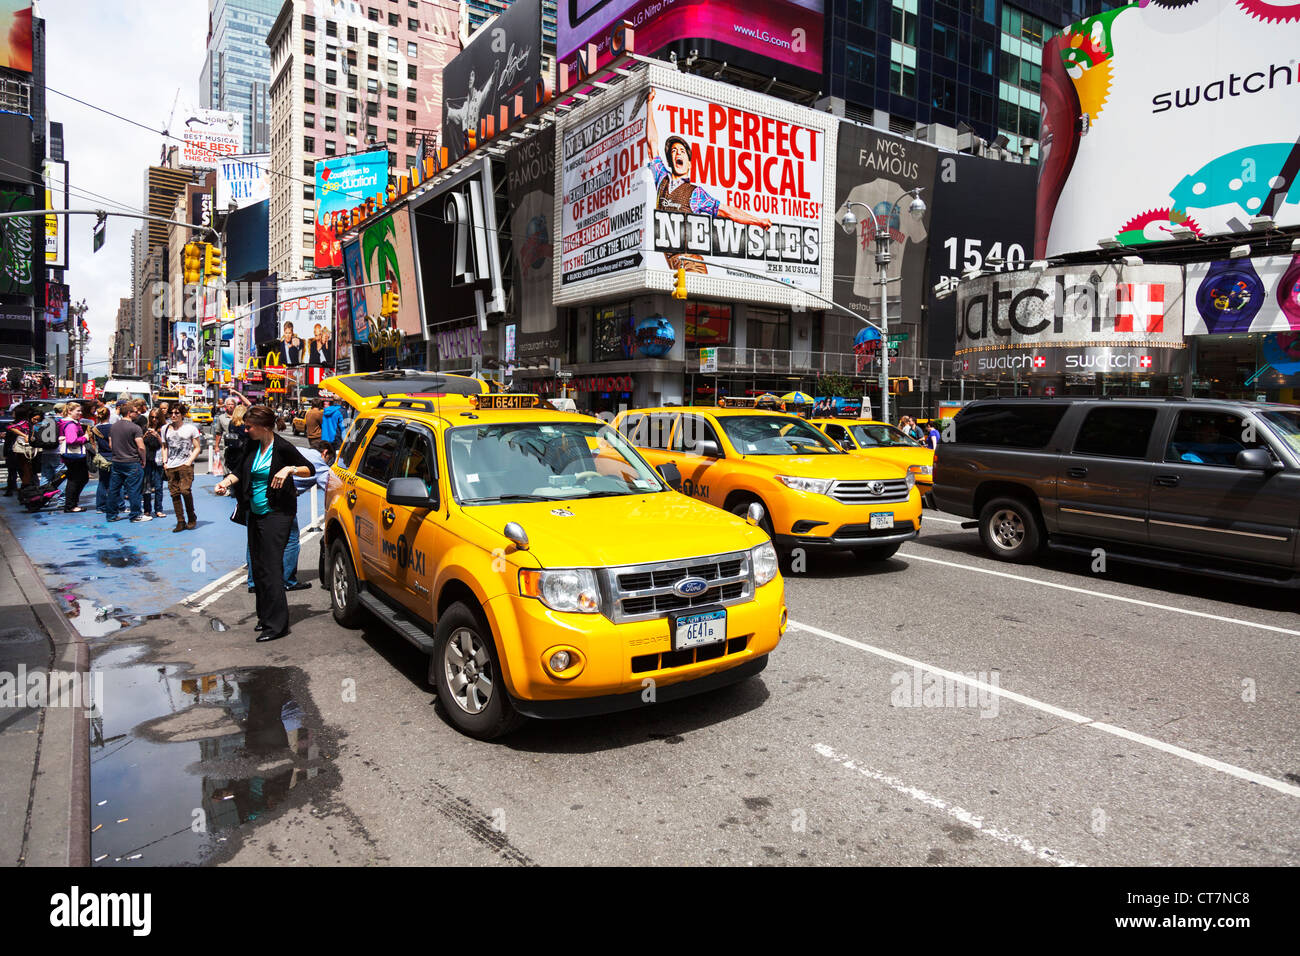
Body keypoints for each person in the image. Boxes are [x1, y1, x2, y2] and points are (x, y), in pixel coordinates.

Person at [642, 87, 772, 273]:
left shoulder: (695, 193)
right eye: (673, 151)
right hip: (673, 264)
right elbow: (652, 145)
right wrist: (650, 104)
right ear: (671, 160)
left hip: (691, 264)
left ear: (689, 163)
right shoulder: (662, 179)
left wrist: (757, 221)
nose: (677, 153)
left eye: (682, 151)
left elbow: (727, 211)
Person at [214, 405, 312, 642]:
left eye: (249, 426)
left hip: (277, 513)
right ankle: (264, 617)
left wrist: (288, 470)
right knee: (258, 567)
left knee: (270, 567)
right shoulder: (252, 444)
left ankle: (277, 626)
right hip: (255, 511)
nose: (245, 430)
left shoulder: (282, 447)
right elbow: (239, 470)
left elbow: (308, 470)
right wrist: (225, 483)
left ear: (264, 427)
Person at [246, 444, 329, 593]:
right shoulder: (319, 462)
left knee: (256, 538)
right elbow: (330, 486)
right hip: (281, 499)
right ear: (325, 453)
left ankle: (254, 582)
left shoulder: (292, 448)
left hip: (256, 494)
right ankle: (287, 581)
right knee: (291, 538)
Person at [106, 400, 149, 523]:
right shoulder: (135, 428)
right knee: (134, 489)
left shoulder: (113, 426)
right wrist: (143, 459)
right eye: (136, 412)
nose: (138, 414)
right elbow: (141, 446)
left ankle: (111, 514)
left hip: (117, 461)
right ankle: (135, 515)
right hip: (132, 461)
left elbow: (111, 444)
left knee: (114, 489)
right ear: (129, 413)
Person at [161, 403, 202, 531]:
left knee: (185, 490)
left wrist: (189, 461)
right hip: (171, 465)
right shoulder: (165, 429)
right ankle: (180, 520)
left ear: (182, 415)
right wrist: (165, 462)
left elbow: (197, 447)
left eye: (177, 413)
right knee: (174, 494)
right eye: (171, 413)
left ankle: (191, 517)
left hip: (185, 464)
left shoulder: (191, 428)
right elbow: (164, 446)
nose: (173, 415)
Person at [59, 401, 91, 513]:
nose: (80, 413)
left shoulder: (66, 423)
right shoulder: (71, 425)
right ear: (69, 411)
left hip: (71, 456)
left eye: (80, 411)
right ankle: (71, 505)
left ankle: (71, 504)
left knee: (76, 479)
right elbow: (72, 440)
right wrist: (85, 438)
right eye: (77, 411)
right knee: (76, 479)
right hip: (74, 456)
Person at [6, 407, 44, 490]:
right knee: (26, 470)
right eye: (35, 419)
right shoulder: (25, 423)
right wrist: (24, 435)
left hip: (36, 450)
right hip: (23, 450)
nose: (36, 421)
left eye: (38, 419)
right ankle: (28, 489)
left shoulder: (42, 424)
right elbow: (11, 427)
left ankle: (30, 488)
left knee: (33, 471)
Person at [142, 408, 167, 518]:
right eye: (152, 417)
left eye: (156, 417)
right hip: (147, 460)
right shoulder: (145, 428)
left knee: (158, 486)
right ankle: (147, 509)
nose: (154, 419)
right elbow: (140, 444)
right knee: (146, 486)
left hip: (158, 460)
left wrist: (157, 436)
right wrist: (145, 436)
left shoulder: (164, 429)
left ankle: (158, 509)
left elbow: (166, 445)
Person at [90, 405, 115, 513]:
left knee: (102, 482)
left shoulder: (95, 428)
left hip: (101, 456)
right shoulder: (112, 427)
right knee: (115, 482)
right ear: (109, 415)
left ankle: (100, 506)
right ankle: (118, 505)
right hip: (113, 455)